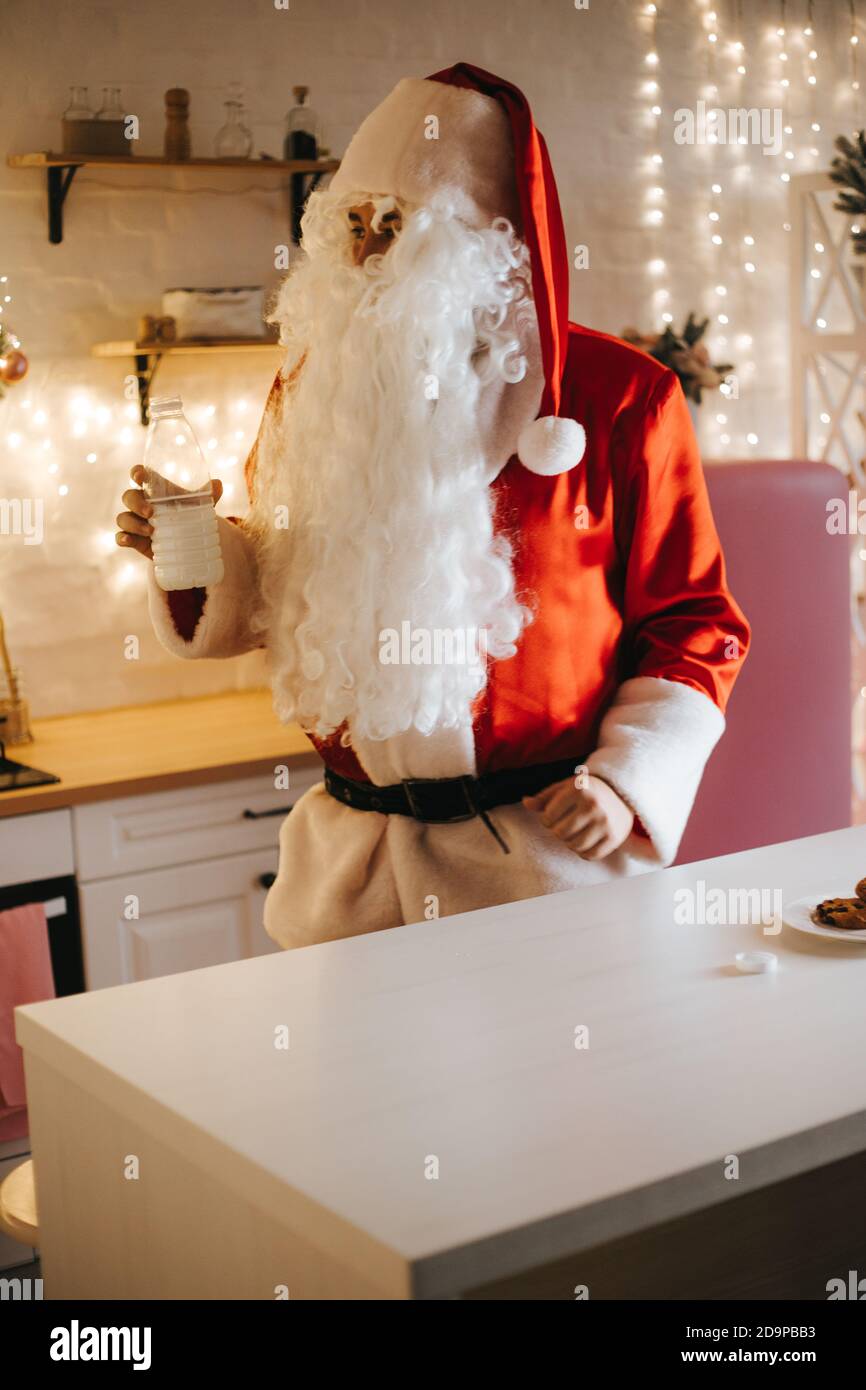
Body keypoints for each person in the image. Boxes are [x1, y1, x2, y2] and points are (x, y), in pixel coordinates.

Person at [116, 63, 750, 951]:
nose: (369, 249)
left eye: (397, 223)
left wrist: (625, 783)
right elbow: (280, 586)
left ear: (480, 238)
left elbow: (695, 621)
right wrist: (195, 551)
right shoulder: (311, 388)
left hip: (542, 870)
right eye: (355, 222)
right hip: (346, 879)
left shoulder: (618, 398)